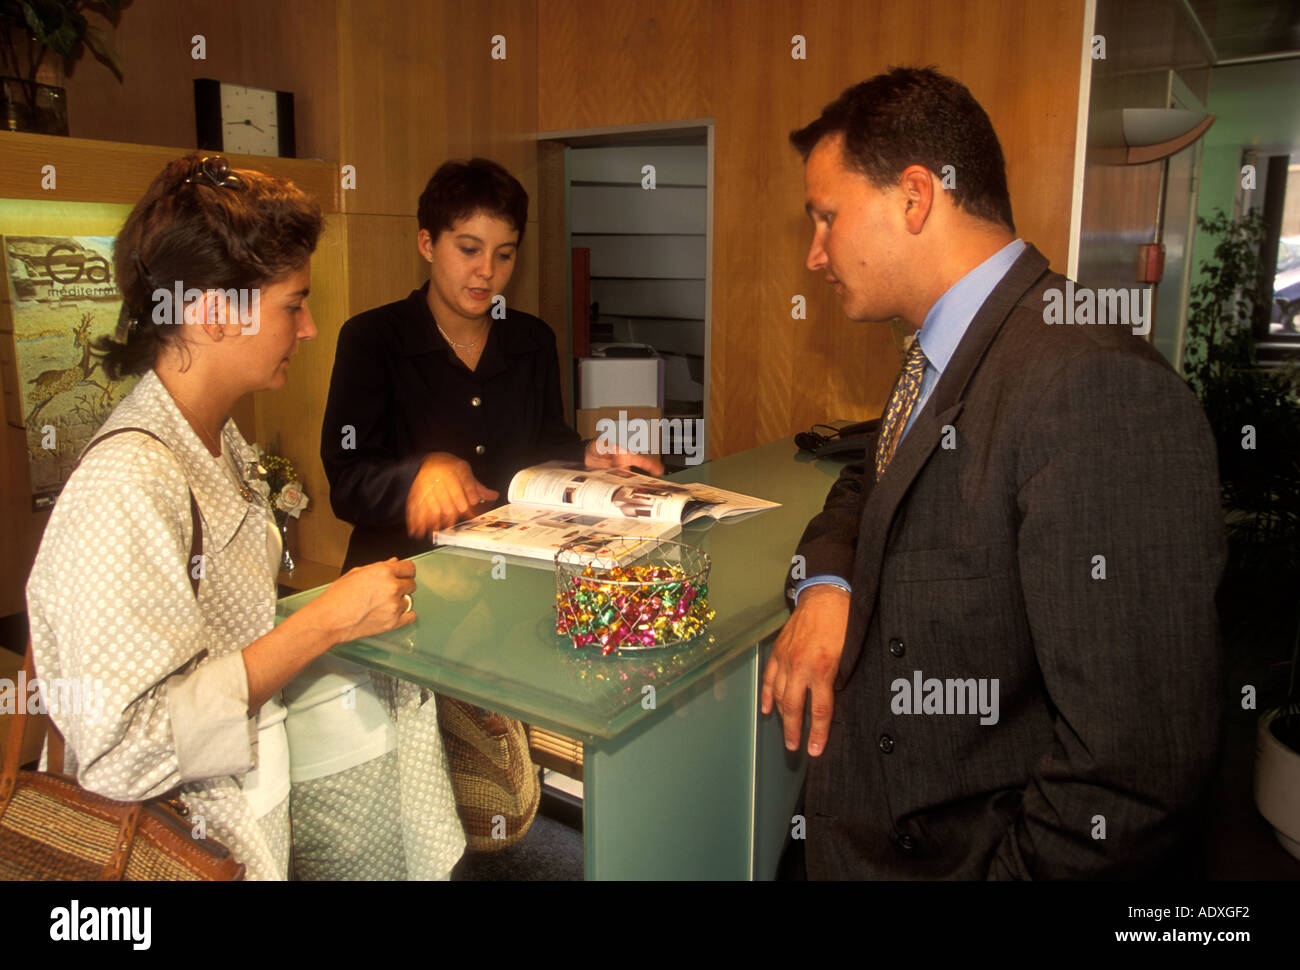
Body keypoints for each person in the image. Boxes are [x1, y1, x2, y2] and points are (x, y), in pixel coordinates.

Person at [764, 67, 1225, 879]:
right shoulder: (946, 347)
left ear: (914, 196)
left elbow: (1132, 777)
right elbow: (869, 479)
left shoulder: (1094, 383)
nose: (814, 254)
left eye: (827, 218)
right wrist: (827, 585)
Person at [25, 154, 420, 881]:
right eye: (292, 305)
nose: (308, 330)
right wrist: (323, 621)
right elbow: (127, 751)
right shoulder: (126, 484)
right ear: (210, 313)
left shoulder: (215, 439)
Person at [298, 157, 660, 875]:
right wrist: (416, 475)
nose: (485, 272)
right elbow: (346, 479)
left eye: (503, 254)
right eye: (468, 249)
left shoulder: (529, 339)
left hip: (500, 592)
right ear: (427, 243)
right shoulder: (372, 340)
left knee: (487, 792)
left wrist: (587, 455)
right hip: (400, 598)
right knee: (402, 792)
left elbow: (541, 446)